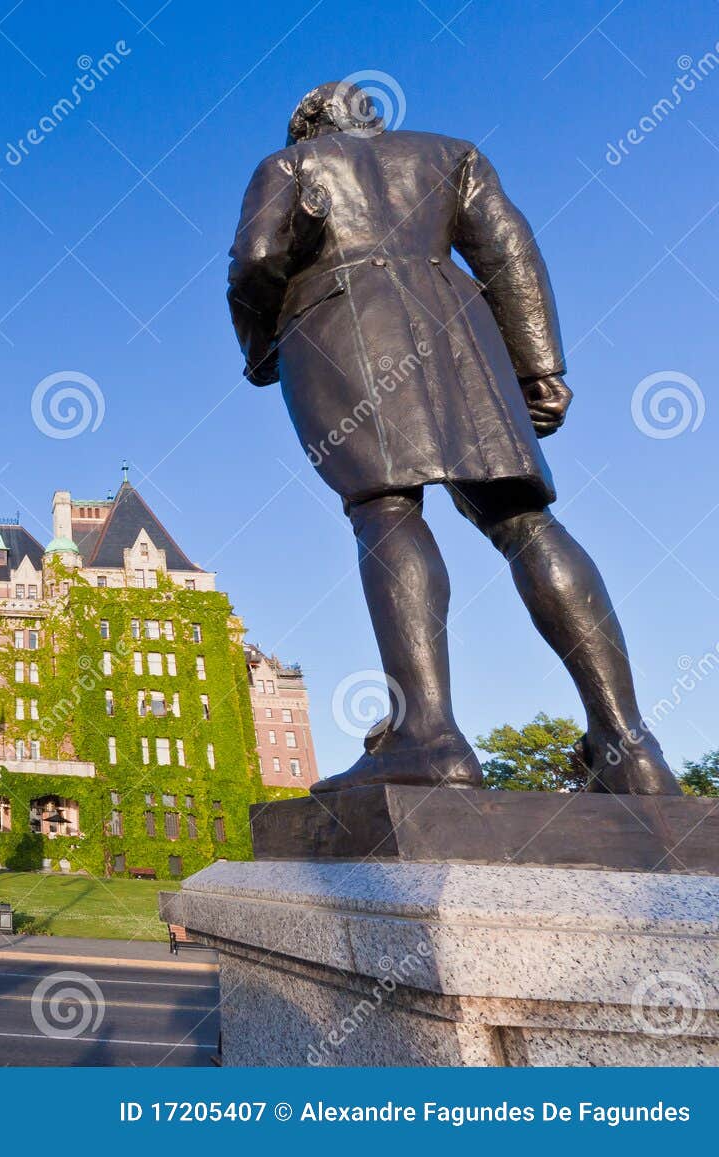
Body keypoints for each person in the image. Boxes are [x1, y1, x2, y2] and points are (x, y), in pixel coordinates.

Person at [227, 81, 680, 795]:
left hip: (345, 327)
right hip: (460, 330)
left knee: (386, 509)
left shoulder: (293, 166)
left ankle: (430, 737)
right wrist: (538, 366)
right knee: (525, 522)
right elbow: (511, 252)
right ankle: (630, 744)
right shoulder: (451, 155)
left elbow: (255, 256)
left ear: (311, 125)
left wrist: (259, 346)